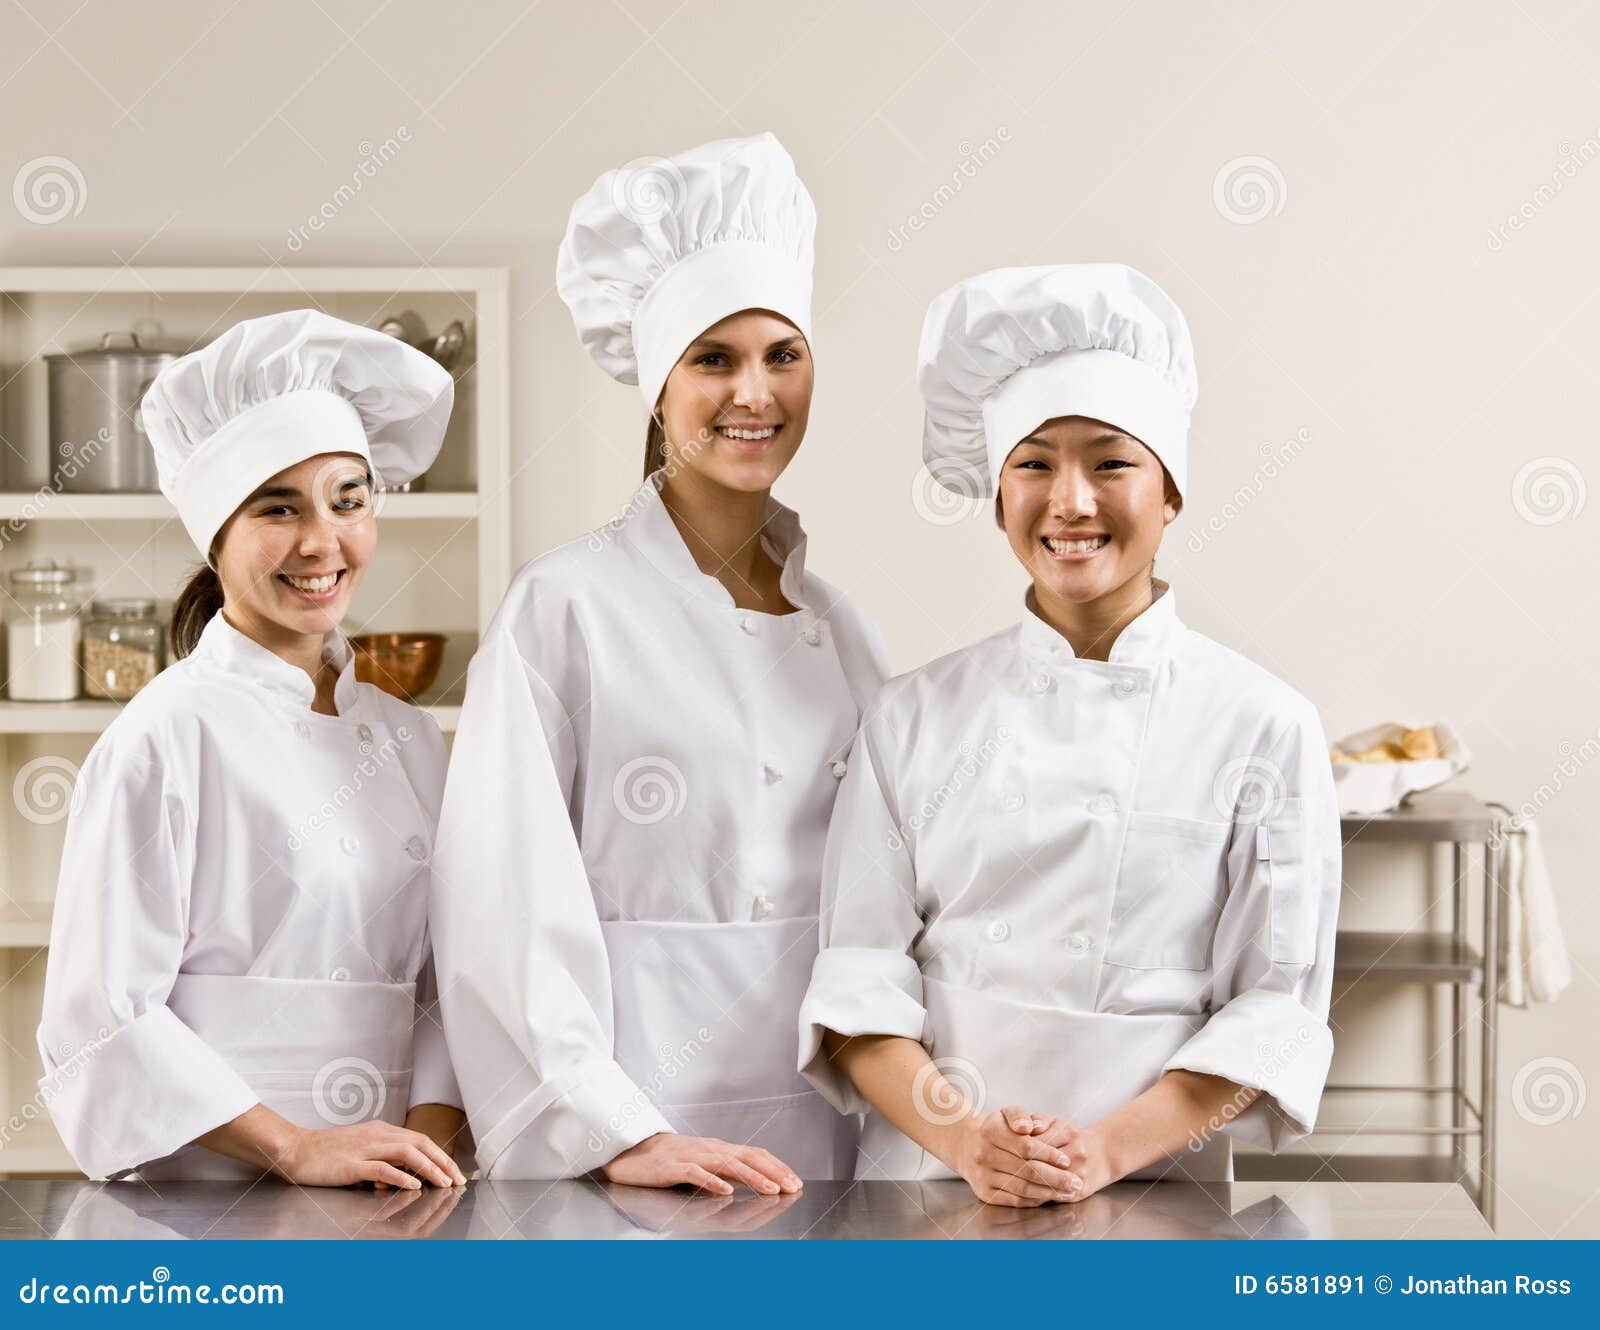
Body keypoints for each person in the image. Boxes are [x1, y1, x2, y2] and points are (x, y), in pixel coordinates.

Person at [799, 263, 1342, 1205]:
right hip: (931, 1186)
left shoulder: (1264, 724)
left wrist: (1096, 1154)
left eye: (1111, 461)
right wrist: (968, 1139)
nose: (1072, 500)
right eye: (1035, 463)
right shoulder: (912, 715)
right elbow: (858, 982)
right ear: (999, 495)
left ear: (1170, 493)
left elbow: (1275, 1009)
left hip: (1153, 1193)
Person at [431, 133, 888, 1190]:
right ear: (656, 387)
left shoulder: (847, 631)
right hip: (623, 1150)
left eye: (782, 354)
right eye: (712, 359)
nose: (754, 392)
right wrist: (618, 1133)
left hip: (828, 1152)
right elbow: (499, 903)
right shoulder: (565, 606)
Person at [37, 310, 467, 1188]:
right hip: (212, 1198)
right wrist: (295, 1147)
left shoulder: (411, 737)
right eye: (279, 508)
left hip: (396, 1192)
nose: (322, 542)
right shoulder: (163, 737)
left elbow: (449, 986)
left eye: (350, 501)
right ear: (217, 537)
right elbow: (98, 1016)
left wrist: (422, 1152)